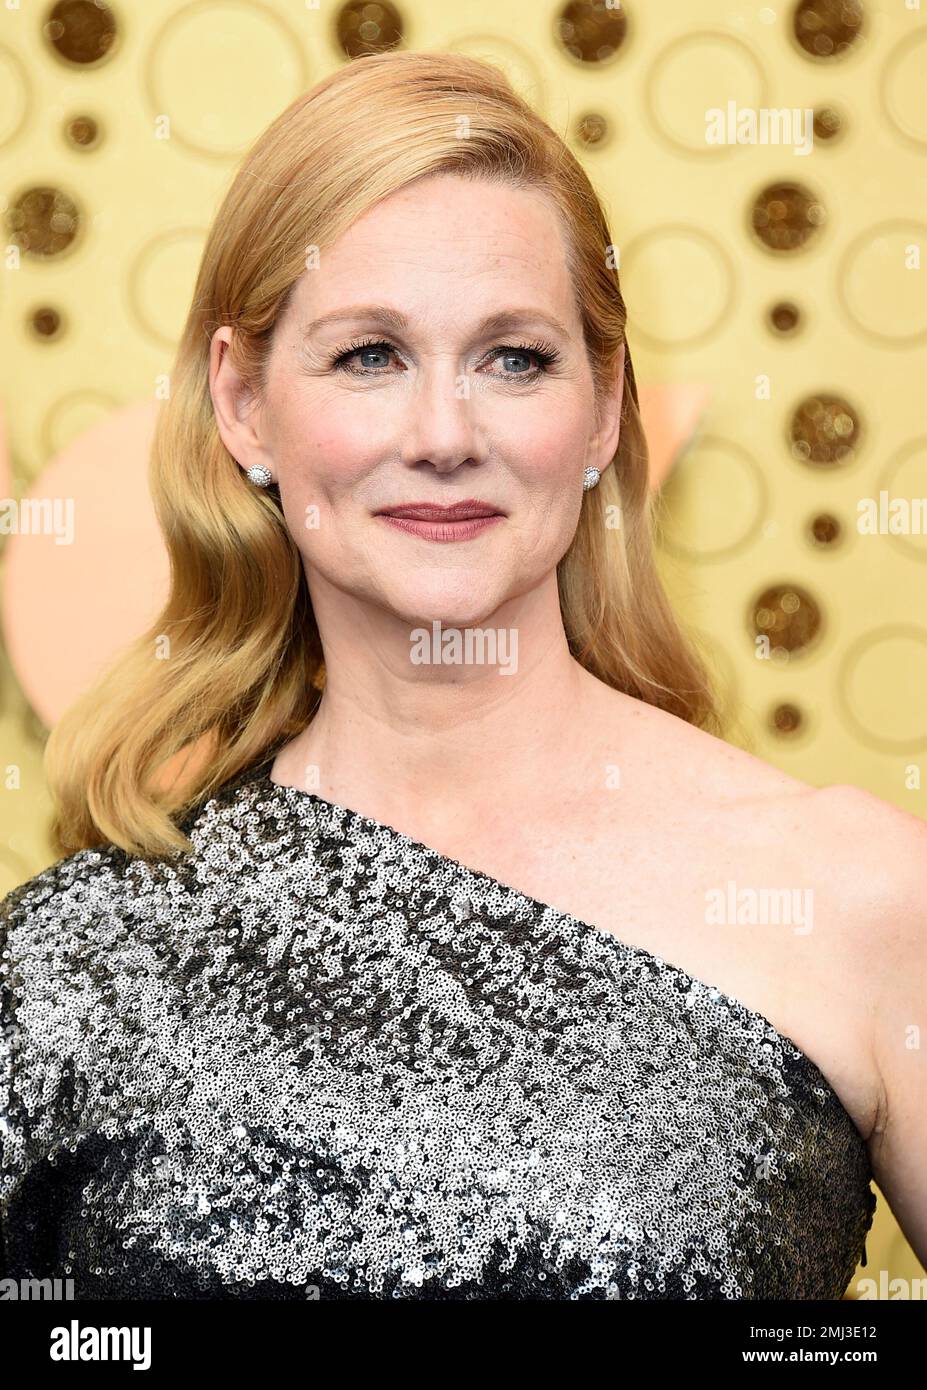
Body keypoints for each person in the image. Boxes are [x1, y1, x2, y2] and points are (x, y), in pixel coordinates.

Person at [1, 51, 924, 1301]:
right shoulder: (72, 958)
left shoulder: (864, 898)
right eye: (369, 355)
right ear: (242, 404)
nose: (444, 436)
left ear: (603, 414)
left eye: (515, 358)